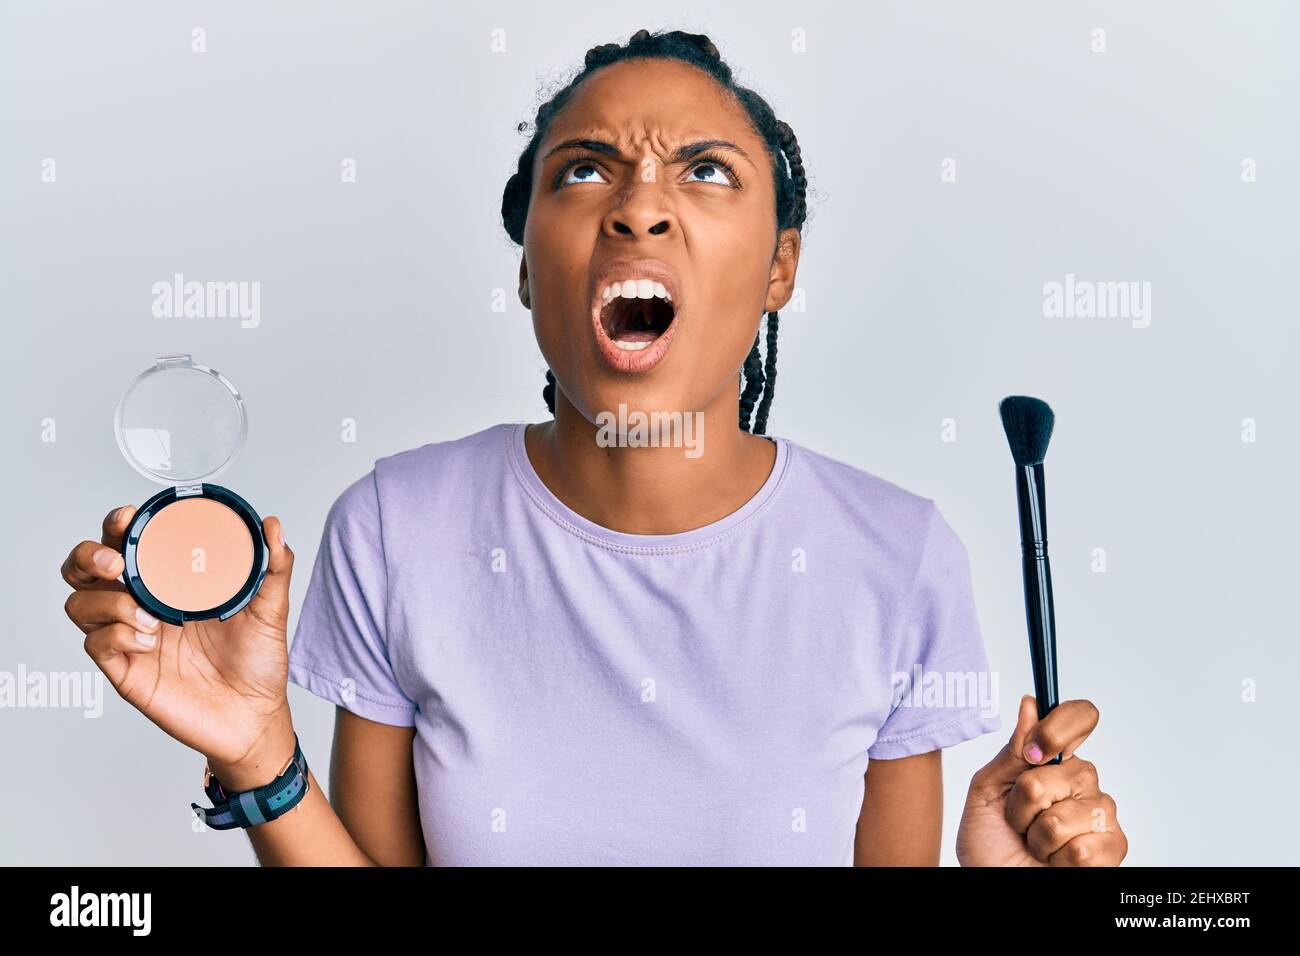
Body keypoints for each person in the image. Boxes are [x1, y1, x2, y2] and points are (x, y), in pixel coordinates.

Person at [60, 28, 1126, 866]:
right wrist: (258, 755)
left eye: (704, 171)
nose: (639, 208)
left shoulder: (899, 554)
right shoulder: (398, 523)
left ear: (778, 269)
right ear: (529, 264)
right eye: (582, 172)